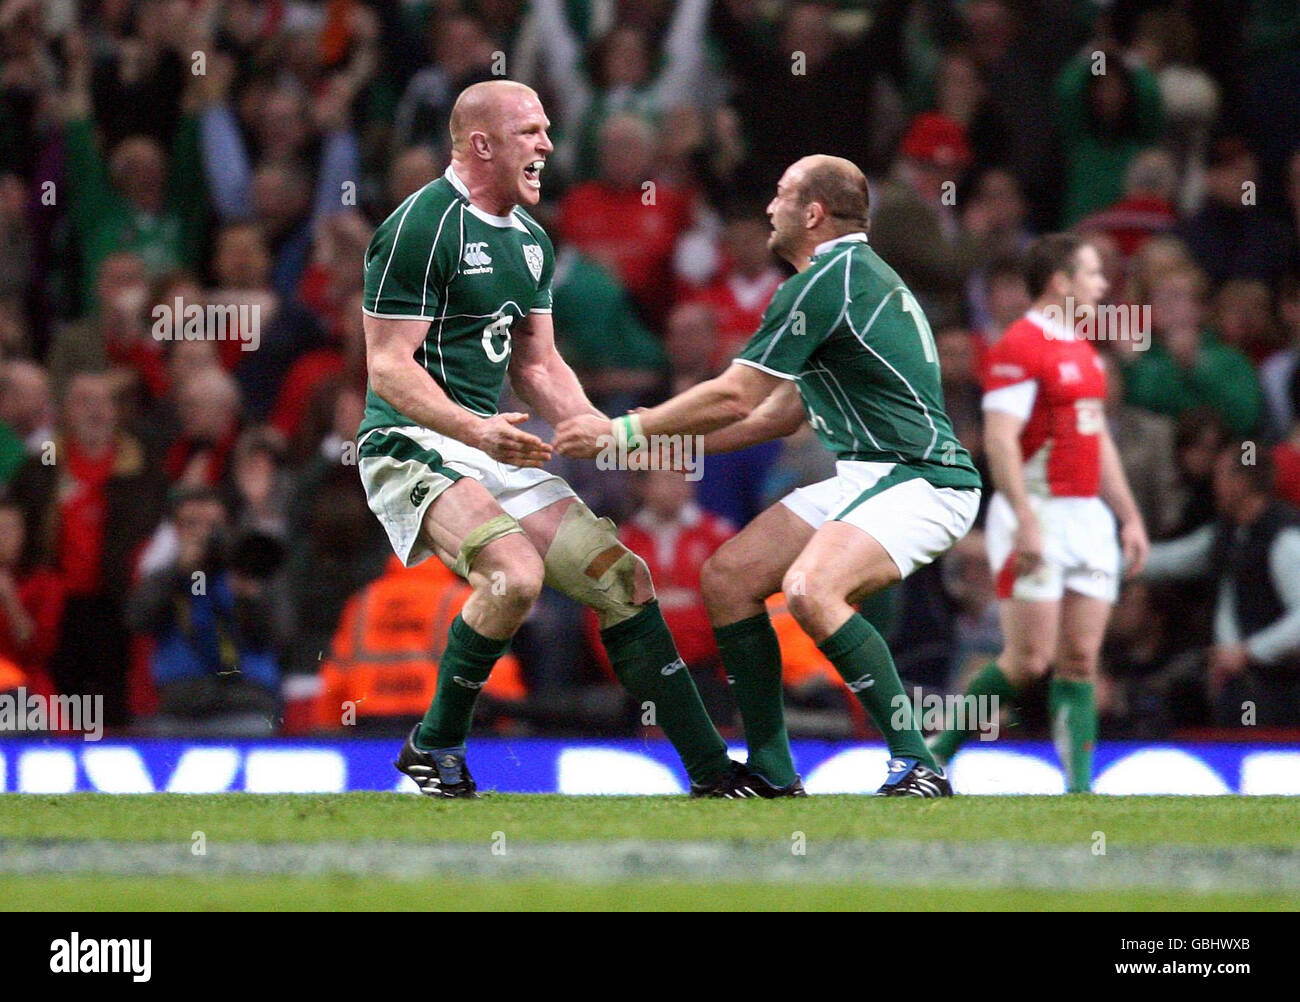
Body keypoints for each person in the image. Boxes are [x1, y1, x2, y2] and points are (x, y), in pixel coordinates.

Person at [557, 155, 983, 797]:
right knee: (729, 578)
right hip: (873, 473)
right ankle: (773, 771)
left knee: (812, 588)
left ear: (813, 214)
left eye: (781, 195)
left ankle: (917, 759)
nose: (768, 209)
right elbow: (773, 416)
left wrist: (624, 432)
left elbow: (734, 395)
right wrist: (657, 439)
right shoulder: (845, 279)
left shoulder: (824, 281)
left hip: (923, 478)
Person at [359, 80, 736, 798]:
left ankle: (716, 776)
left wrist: (593, 424)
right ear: (480, 144)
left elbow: (536, 362)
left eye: (546, 130)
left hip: (488, 439)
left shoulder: (531, 240)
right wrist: (474, 428)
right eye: (530, 132)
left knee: (623, 582)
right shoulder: (421, 225)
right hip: (411, 441)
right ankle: (434, 745)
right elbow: (386, 366)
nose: (548, 147)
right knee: (515, 577)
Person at [928, 234, 1150, 792]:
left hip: (1087, 518)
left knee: (1079, 658)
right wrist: (1025, 517)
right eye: (1093, 275)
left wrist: (1128, 515)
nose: (1103, 287)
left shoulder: (1082, 351)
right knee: (1029, 658)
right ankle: (932, 753)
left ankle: (1078, 790)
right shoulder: (1018, 349)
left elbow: (1096, 441)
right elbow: (1001, 442)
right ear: (1060, 282)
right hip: (1038, 511)